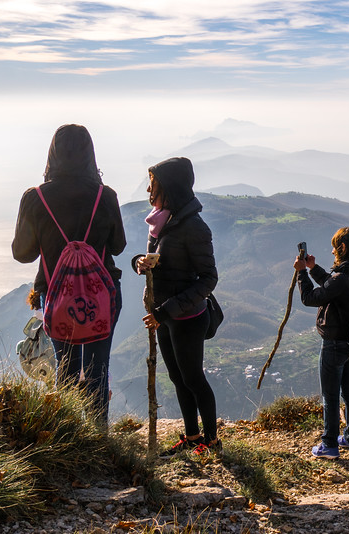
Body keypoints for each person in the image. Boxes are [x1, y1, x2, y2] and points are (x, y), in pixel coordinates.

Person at [12, 124, 126, 426]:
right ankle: (99, 435)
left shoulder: (35, 198)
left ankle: (70, 435)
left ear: (52, 154)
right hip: (103, 293)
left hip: (59, 296)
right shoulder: (105, 195)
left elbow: (22, 253)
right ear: (91, 155)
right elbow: (119, 245)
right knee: (99, 365)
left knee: (67, 367)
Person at [132, 157, 221, 457]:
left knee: (193, 378)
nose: (148, 190)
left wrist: (168, 310)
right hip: (164, 316)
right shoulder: (161, 220)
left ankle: (212, 440)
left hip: (187, 317)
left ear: (168, 188)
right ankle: (193, 436)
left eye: (153, 185)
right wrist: (138, 263)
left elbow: (209, 279)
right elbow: (152, 257)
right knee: (177, 378)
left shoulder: (194, 227)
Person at [294, 227, 349, 459]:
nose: (332, 250)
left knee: (330, 395)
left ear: (342, 248)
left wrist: (301, 273)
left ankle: (329, 445)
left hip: (334, 342)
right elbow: (334, 284)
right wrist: (313, 268)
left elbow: (310, 298)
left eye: (335, 246)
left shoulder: (342, 278)